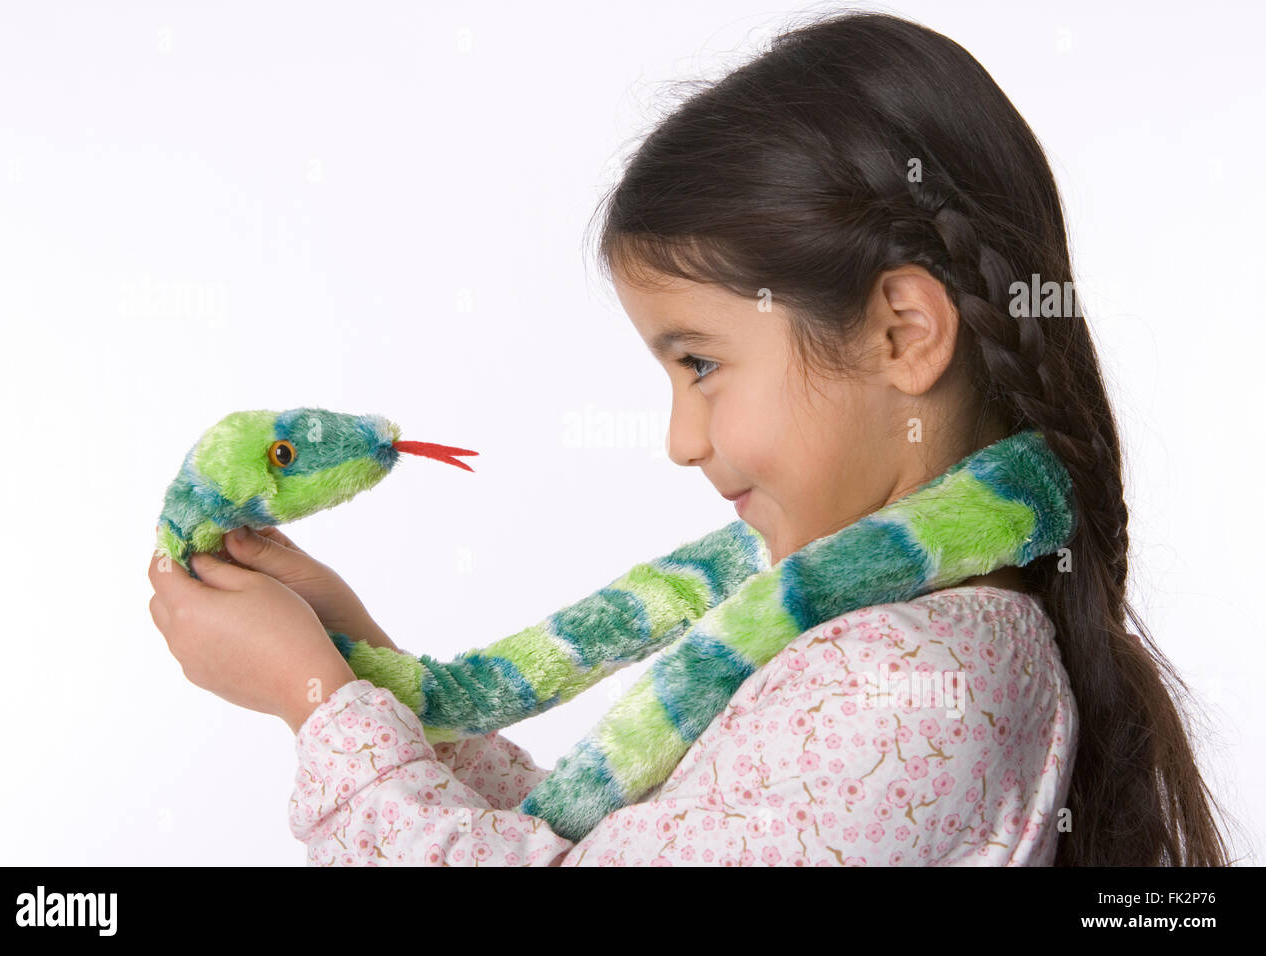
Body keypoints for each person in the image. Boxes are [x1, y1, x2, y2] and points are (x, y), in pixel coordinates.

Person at [149, 10, 1233, 865]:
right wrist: (363, 663)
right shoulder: (893, 640)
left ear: (904, 332)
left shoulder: (908, 682)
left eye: (700, 363)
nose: (677, 437)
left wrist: (318, 703)